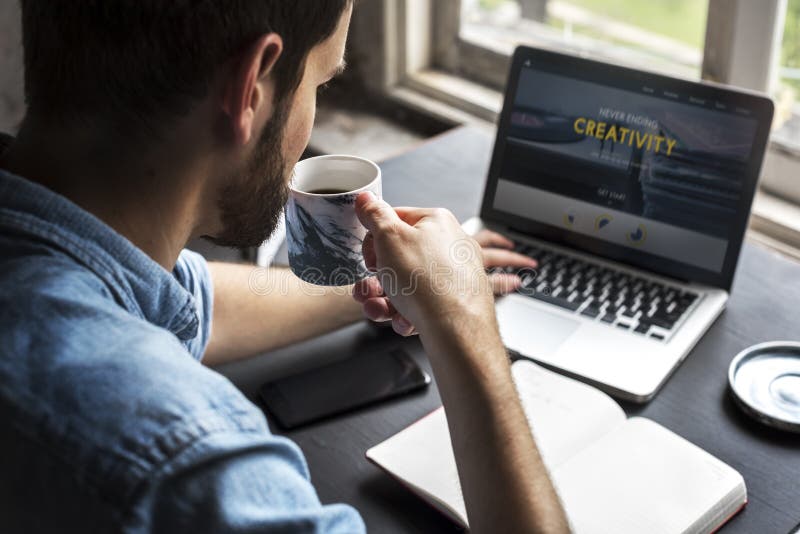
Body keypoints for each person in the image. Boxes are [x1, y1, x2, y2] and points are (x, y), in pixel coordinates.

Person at [0, 1, 569, 533]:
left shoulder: (63, 252)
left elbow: (191, 304)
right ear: (250, 87)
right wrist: (469, 330)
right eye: (323, 82)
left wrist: (401, 284)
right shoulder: (188, 466)